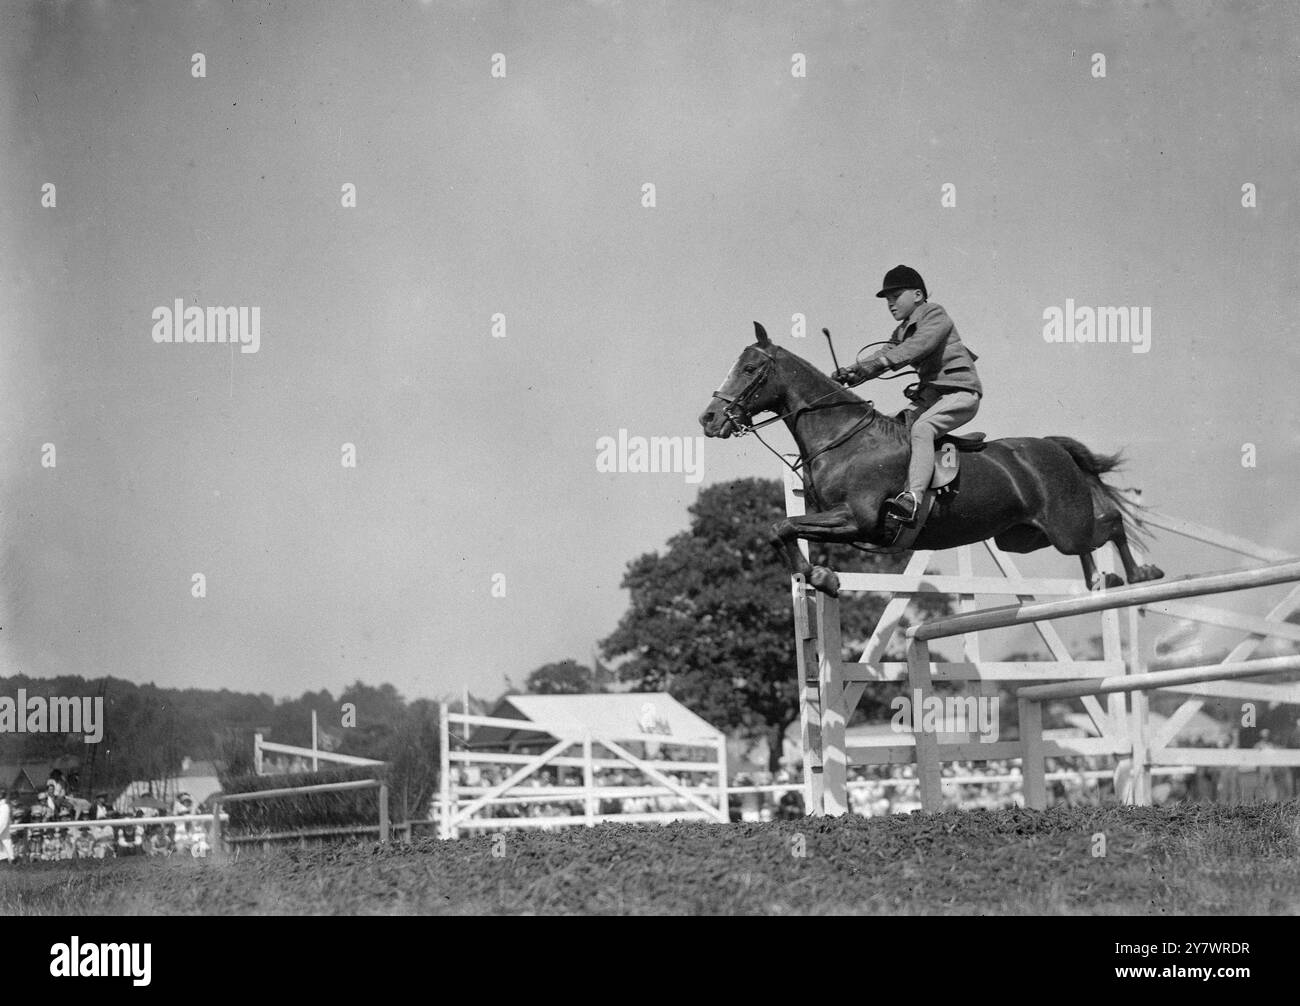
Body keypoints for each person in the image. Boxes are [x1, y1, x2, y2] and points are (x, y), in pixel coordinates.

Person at [833, 265, 983, 524]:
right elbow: (885, 352)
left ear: (917, 295)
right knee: (886, 427)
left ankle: (913, 498)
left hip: (961, 393)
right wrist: (852, 373)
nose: (890, 304)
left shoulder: (935, 314)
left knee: (922, 430)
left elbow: (918, 346)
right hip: (933, 398)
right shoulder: (901, 330)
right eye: (887, 300)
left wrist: (877, 364)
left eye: (895, 296)